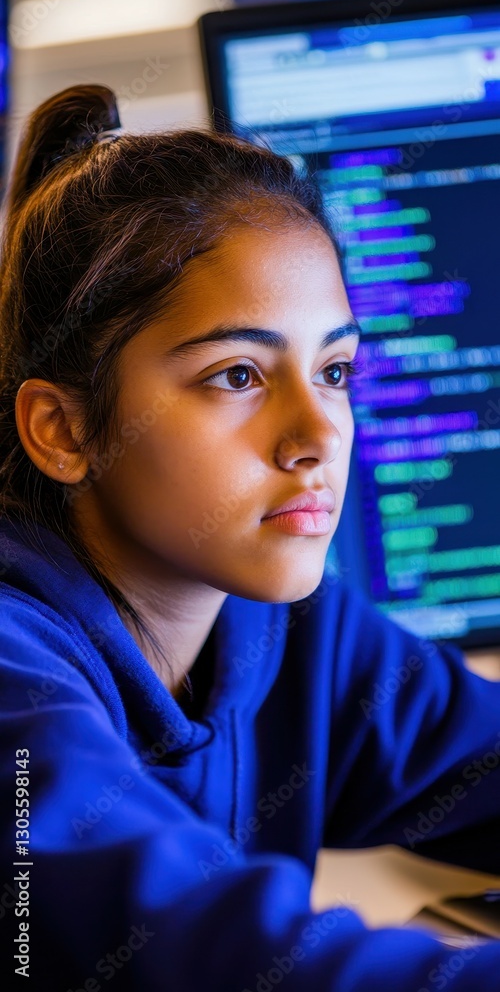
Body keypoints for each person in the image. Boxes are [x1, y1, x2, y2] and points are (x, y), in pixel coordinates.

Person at [0, 84, 499, 991]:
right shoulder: (12, 676)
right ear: (65, 431)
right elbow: (207, 953)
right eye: (238, 374)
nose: (319, 435)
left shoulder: (289, 633)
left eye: (335, 370)